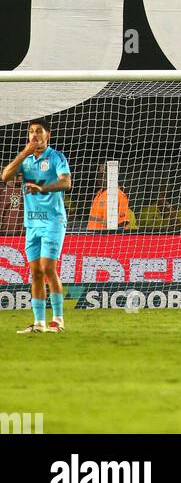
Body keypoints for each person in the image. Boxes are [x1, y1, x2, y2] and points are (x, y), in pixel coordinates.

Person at [1, 118, 72, 333]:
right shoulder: (26, 160)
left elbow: (66, 182)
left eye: (39, 131)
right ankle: (39, 322)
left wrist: (43, 188)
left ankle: (58, 320)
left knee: (48, 268)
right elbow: (5, 176)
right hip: (31, 223)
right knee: (36, 273)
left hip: (53, 221)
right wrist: (24, 152)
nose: (34, 135)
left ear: (48, 134)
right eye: (31, 131)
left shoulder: (56, 157)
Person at [86, 162, 137, 232]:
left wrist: (110, 236)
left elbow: (123, 222)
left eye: (102, 175)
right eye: (98, 175)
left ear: (110, 175)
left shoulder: (119, 195)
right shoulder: (97, 195)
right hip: (91, 236)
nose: (99, 178)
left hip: (107, 236)